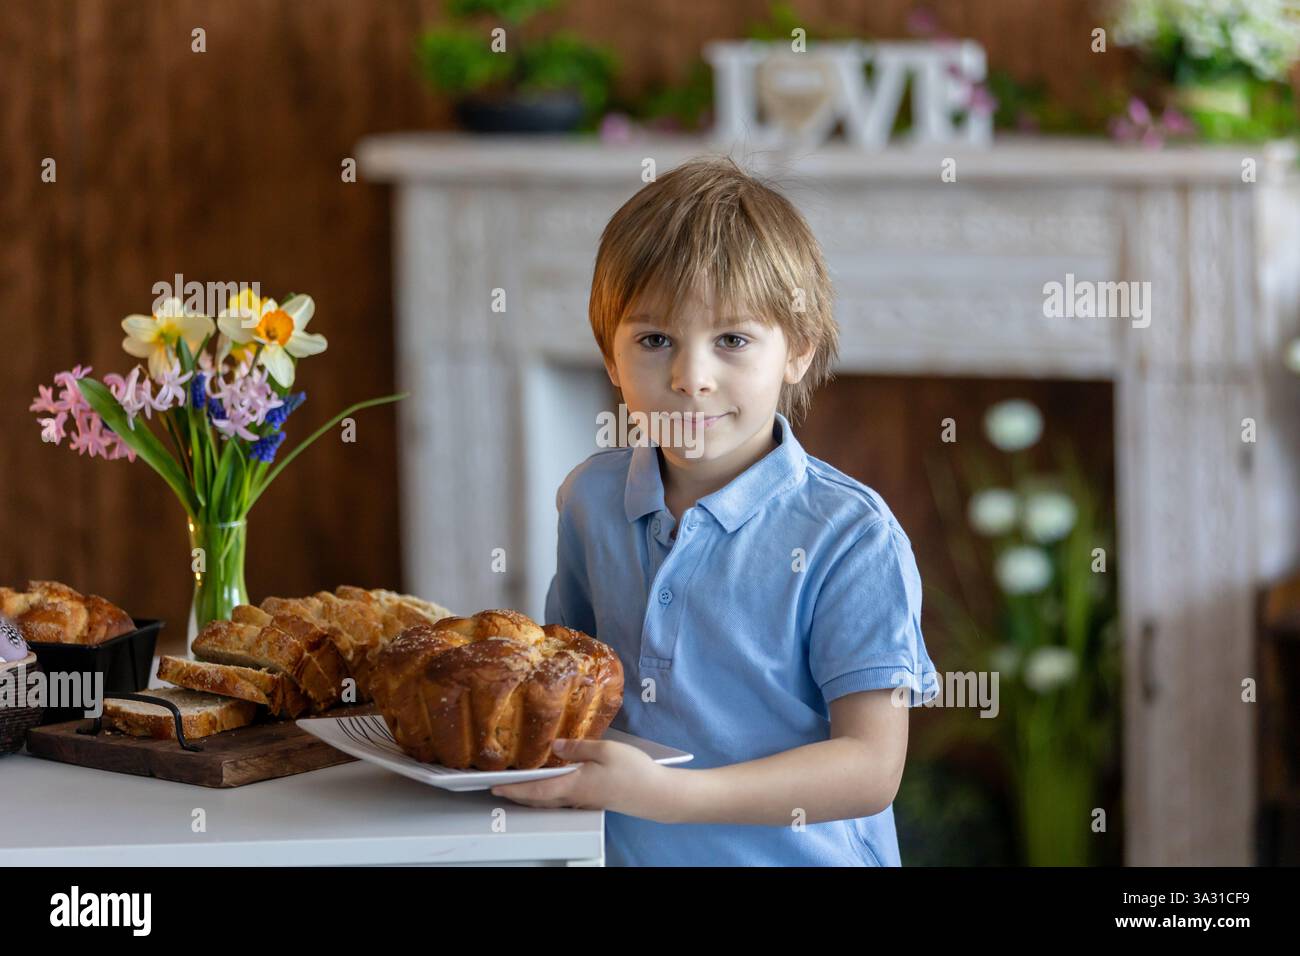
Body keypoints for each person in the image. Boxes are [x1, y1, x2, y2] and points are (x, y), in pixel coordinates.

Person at [490, 155, 939, 866]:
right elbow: (565, 686)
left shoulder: (851, 537)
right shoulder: (591, 500)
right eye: (654, 339)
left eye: (732, 340)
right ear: (610, 357)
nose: (690, 378)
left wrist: (673, 797)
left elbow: (870, 768)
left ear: (797, 351)